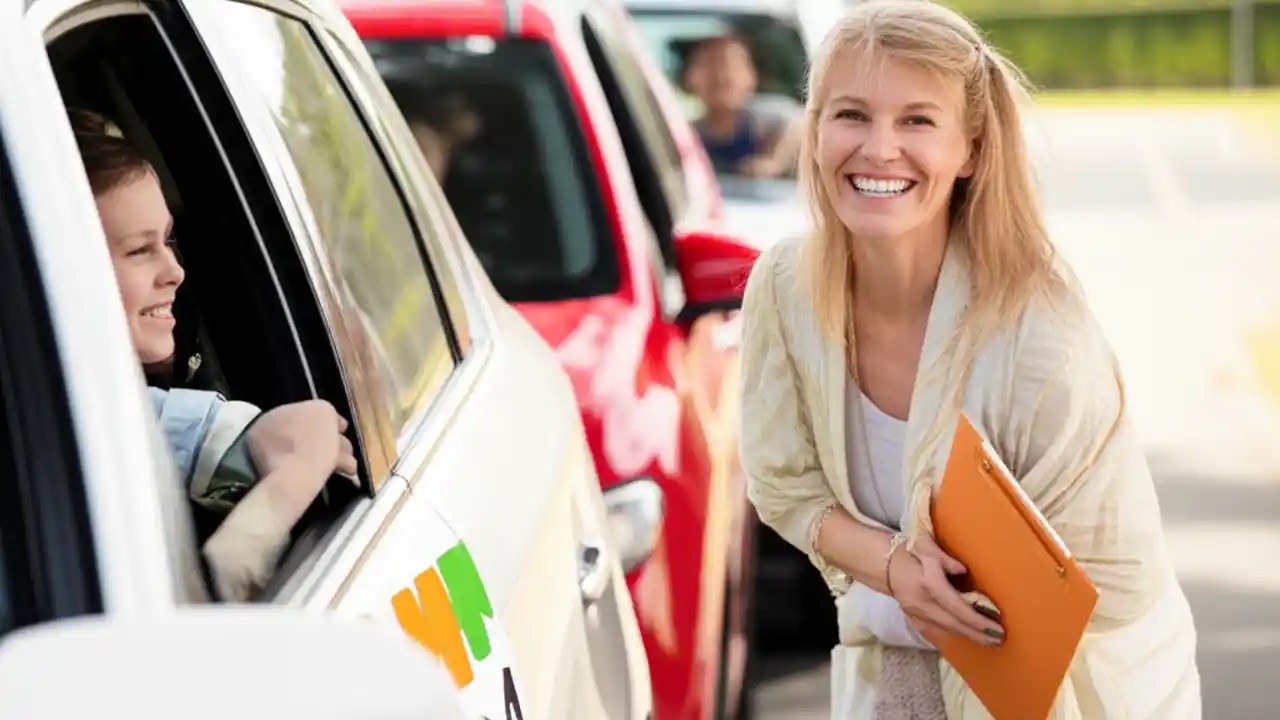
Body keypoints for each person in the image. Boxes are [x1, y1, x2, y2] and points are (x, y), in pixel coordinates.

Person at [737, 2, 1201, 717]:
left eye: (917, 121)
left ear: (972, 151)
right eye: (851, 115)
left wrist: (939, 594)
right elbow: (783, 487)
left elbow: (1107, 583)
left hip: (1071, 690)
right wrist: (893, 565)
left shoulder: (1039, 334)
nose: (879, 149)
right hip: (892, 672)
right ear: (816, 130)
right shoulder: (782, 287)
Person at [70, 108, 357, 602]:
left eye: (168, 241)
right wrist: (246, 545)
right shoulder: (92, 412)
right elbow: (302, 429)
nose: (175, 271)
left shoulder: (117, 407)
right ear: (59, 267)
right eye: (139, 250)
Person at [683, 34, 799, 177]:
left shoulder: (768, 119)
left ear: (751, 78)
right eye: (709, 65)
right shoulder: (686, 134)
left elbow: (802, 123)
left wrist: (774, 162)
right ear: (690, 79)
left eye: (731, 66)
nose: (719, 75)